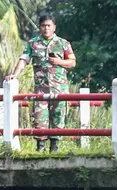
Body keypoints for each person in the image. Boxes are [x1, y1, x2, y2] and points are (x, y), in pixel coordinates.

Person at [5, 15, 76, 153]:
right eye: (43, 25)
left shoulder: (63, 43)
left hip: (59, 87)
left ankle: (54, 146)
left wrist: (59, 62)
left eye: (49, 25)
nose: (46, 28)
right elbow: (24, 59)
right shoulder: (33, 43)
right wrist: (15, 74)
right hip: (41, 88)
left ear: (54, 27)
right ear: (40, 27)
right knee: (39, 116)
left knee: (58, 115)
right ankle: (40, 146)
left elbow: (72, 62)